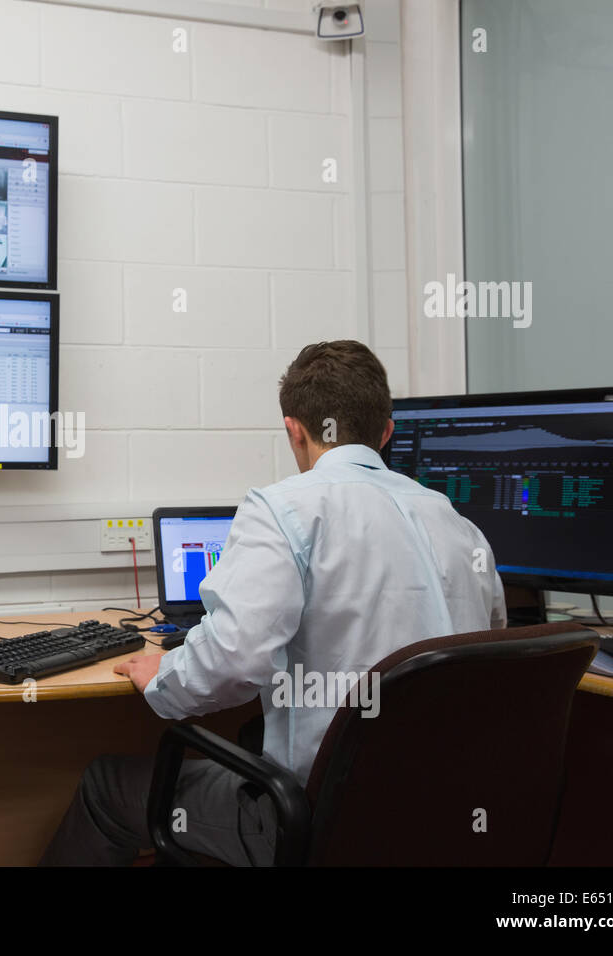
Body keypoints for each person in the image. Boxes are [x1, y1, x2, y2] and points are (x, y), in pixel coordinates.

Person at [40, 340, 506, 866]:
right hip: (442, 820)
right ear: (386, 432)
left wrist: (163, 676)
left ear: (294, 430)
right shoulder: (461, 526)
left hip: (315, 821)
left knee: (107, 784)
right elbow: (489, 649)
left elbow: (232, 660)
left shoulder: (285, 510)